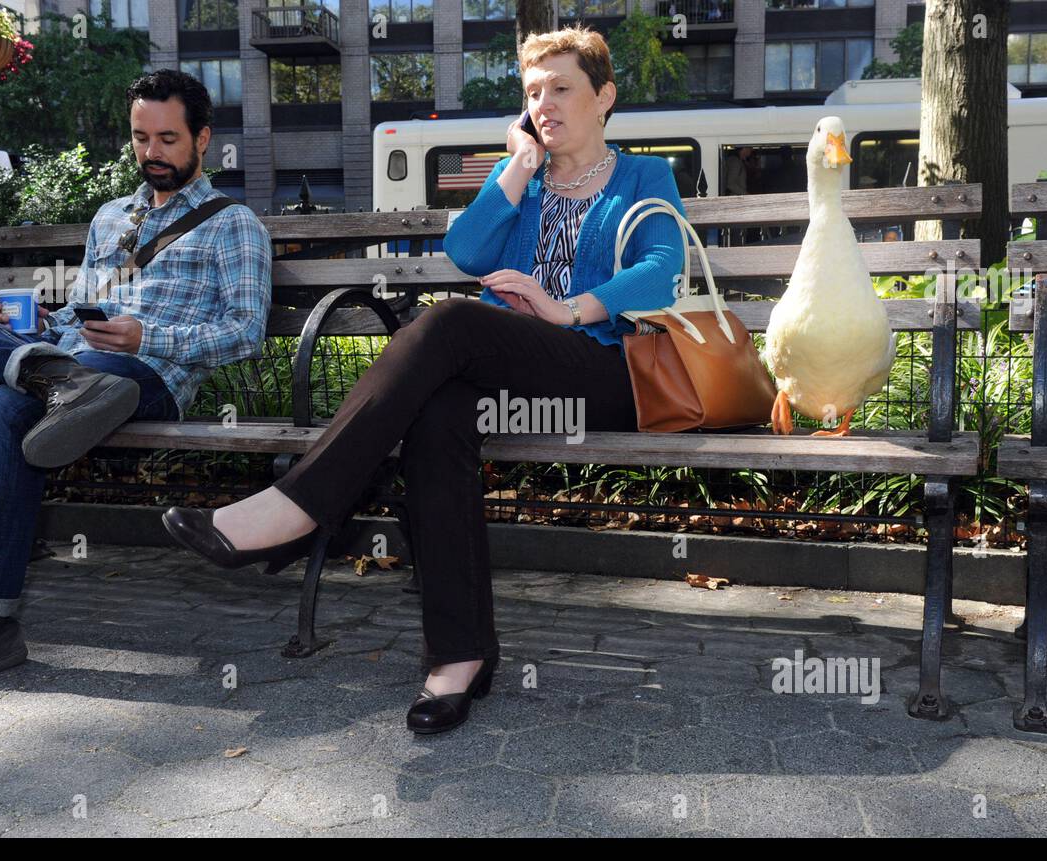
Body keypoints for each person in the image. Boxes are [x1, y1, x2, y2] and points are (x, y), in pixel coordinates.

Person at [161, 24, 687, 735]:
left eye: (561, 88)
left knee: (448, 322)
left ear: (605, 97)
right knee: (439, 415)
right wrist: (519, 166)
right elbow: (467, 248)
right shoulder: (525, 181)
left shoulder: (643, 177)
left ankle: (298, 508)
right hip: (522, 375)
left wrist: (565, 310)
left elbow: (665, 267)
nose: (545, 103)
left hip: (605, 370)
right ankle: (458, 657)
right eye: (533, 92)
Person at [0, 70, 272, 695]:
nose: (152, 153)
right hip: (71, 369)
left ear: (203, 139)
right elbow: (82, 308)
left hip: (143, 375)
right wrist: (32, 321)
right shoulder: (110, 217)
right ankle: (43, 374)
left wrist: (148, 338)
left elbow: (244, 331)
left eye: (168, 139)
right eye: (141, 138)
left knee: (5, 409)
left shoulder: (234, 224)